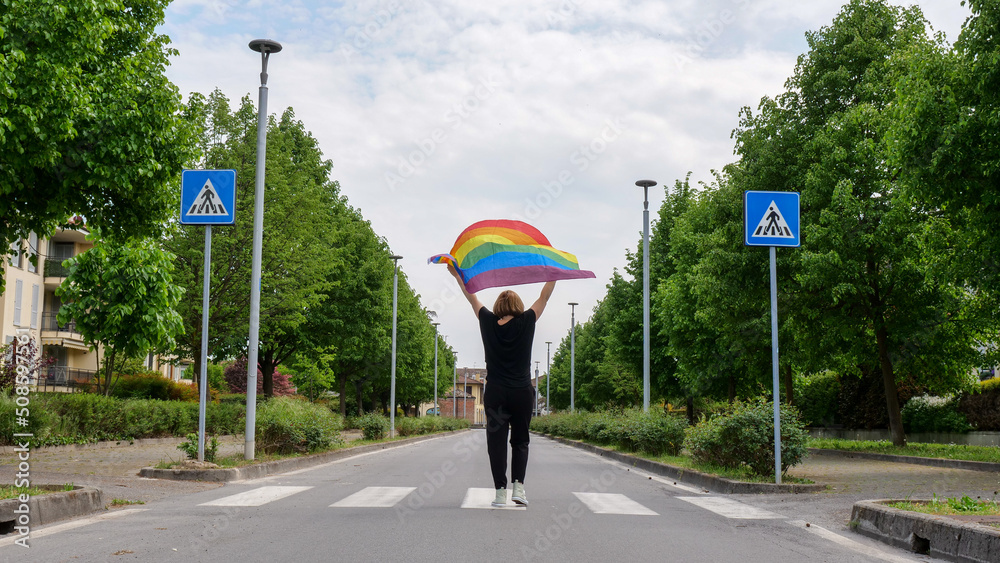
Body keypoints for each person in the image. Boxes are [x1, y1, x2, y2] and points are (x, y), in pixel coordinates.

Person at [448, 263, 555, 507]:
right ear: (518, 306)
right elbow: (544, 297)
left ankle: (499, 492)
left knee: (496, 443)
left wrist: (457, 275)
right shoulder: (527, 320)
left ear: (498, 307)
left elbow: (471, 296)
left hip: (496, 392)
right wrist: (554, 275)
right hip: (521, 393)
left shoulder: (487, 321)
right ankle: (519, 488)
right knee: (520, 441)